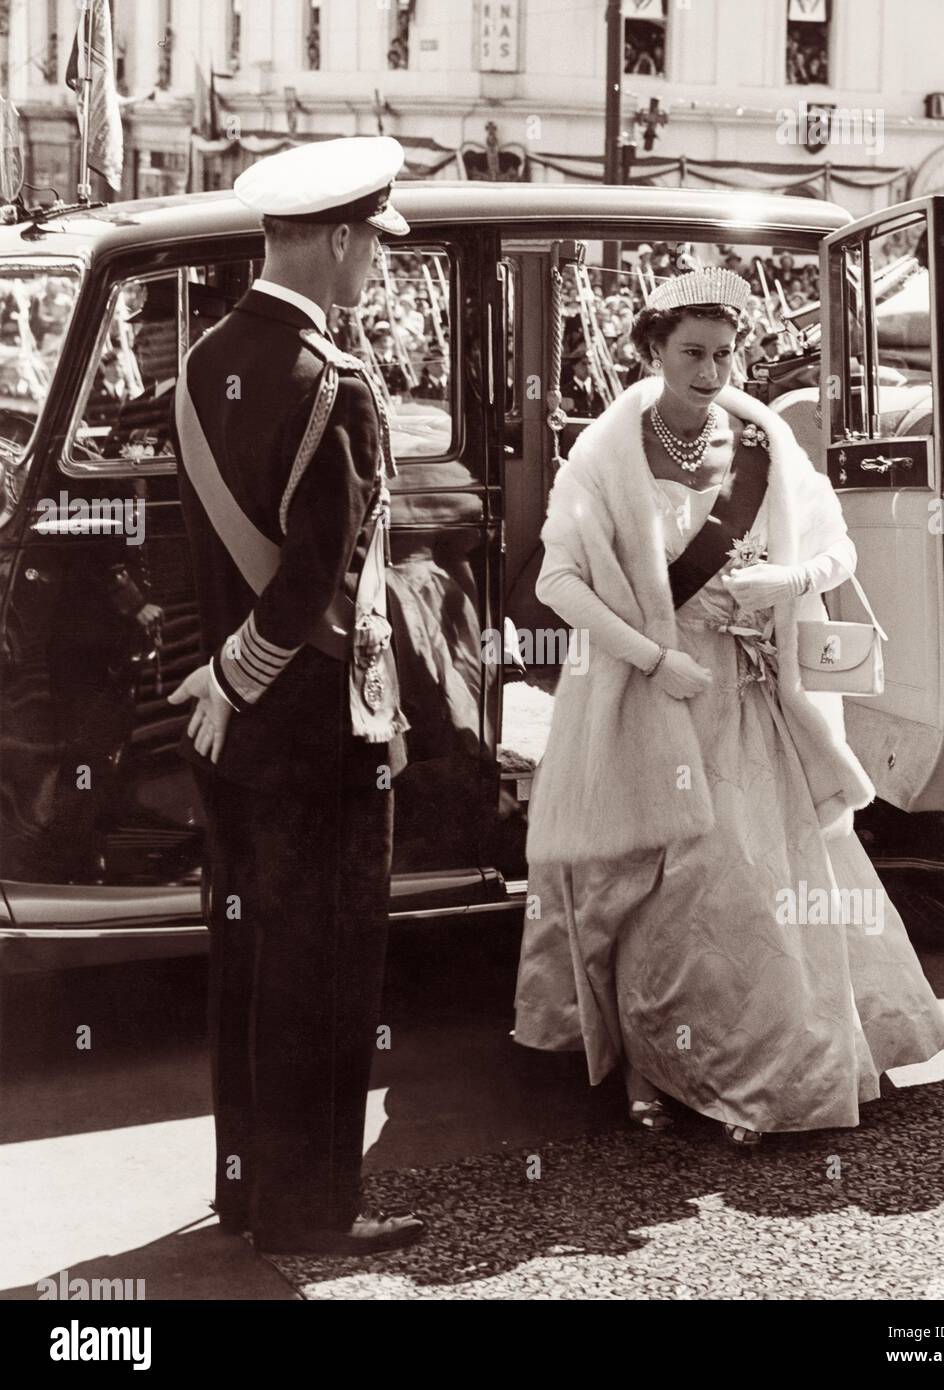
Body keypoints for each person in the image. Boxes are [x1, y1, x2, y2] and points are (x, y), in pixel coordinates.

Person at [514, 268, 944, 1146]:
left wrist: (782, 579)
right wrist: (652, 655)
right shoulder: (603, 452)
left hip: (752, 696)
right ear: (650, 351)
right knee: (655, 886)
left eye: (723, 354)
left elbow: (833, 556)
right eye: (691, 354)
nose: (711, 373)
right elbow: (555, 580)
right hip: (646, 694)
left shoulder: (759, 439)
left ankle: (764, 1074)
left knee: (758, 885)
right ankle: (654, 1065)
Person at [167, 136, 424, 1256]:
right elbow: (323, 577)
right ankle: (312, 1211)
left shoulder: (203, 360)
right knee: (326, 963)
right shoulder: (336, 382)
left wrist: (221, 680)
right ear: (334, 239)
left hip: (228, 728)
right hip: (317, 724)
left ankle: (245, 1192)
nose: (376, 260)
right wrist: (241, 672)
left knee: (248, 955)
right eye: (372, 239)